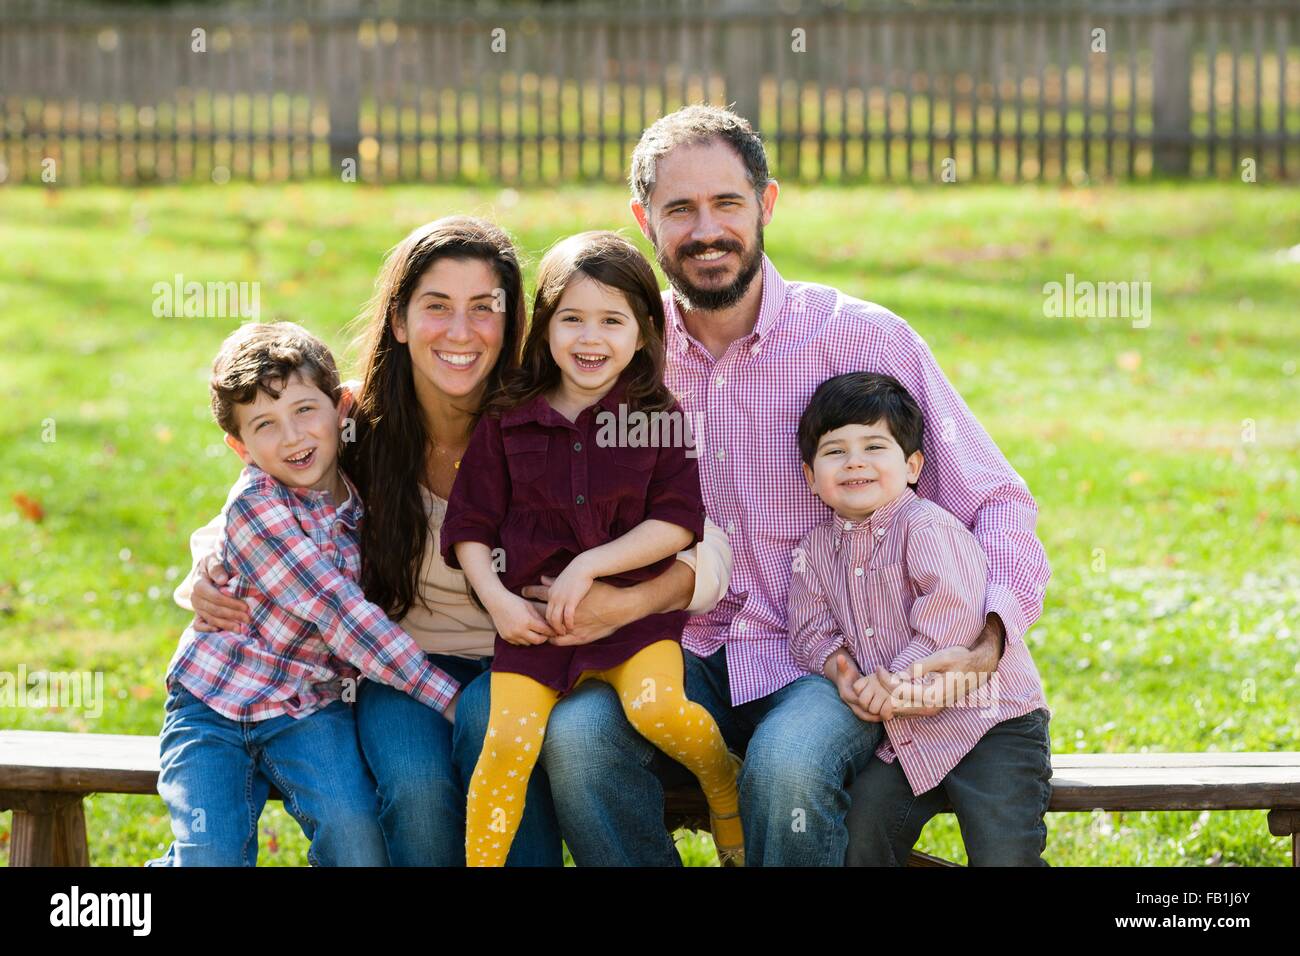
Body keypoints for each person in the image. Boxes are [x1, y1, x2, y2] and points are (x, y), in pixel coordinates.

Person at [525, 104, 1051, 865]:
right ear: (644, 220)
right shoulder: (619, 351)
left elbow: (996, 501)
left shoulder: (862, 337)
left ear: (766, 203)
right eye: (680, 209)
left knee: (789, 767)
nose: (707, 230)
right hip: (676, 647)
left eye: (727, 203)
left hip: (826, 653)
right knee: (578, 740)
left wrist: (988, 641)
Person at [176, 217, 735, 865]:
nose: (462, 332)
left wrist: (629, 602)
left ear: (513, 324)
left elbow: (704, 544)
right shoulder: (359, 422)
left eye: (484, 309)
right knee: (415, 786)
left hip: (524, 656)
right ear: (399, 321)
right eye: (437, 308)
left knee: (494, 738)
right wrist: (206, 557)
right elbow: (269, 499)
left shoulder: (547, 417)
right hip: (401, 662)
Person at [442, 231, 744, 866]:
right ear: (545, 328)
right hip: (534, 633)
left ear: (643, 333)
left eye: (612, 320)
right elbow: (470, 526)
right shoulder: (507, 420)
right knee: (503, 750)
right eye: (571, 319)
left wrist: (591, 564)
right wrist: (498, 602)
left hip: (635, 626)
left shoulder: (659, 417)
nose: (589, 339)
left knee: (661, 709)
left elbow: (679, 521)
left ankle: (725, 789)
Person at [151, 322, 460, 866]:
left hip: (311, 709)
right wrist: (448, 698)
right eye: (265, 425)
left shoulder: (363, 489)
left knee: (359, 840)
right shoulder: (258, 506)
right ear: (240, 447)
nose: (292, 437)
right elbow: (340, 615)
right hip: (215, 703)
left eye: (304, 410)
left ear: (341, 409)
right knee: (210, 855)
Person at [788, 372, 1052, 866]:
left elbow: (950, 613)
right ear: (809, 476)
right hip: (906, 736)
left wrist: (895, 680)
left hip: (991, 723)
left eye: (873, 446)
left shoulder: (926, 526)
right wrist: (841, 670)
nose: (855, 462)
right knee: (862, 835)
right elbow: (808, 630)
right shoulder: (815, 549)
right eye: (834, 451)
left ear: (912, 466)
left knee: (1003, 854)